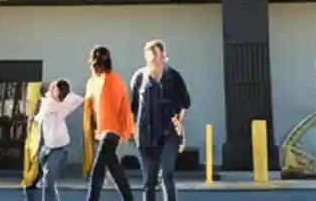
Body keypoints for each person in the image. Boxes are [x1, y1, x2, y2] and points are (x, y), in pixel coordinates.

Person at [130, 40, 191, 201]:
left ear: (163, 57)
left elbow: (185, 103)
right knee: (149, 182)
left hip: (169, 134)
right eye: (149, 60)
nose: (152, 64)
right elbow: (133, 107)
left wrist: (179, 121)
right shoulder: (139, 78)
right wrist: (133, 130)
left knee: (166, 175)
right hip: (146, 135)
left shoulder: (174, 77)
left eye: (155, 59)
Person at [84, 45, 136, 201]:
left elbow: (123, 107)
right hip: (104, 132)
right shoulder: (94, 81)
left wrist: (126, 130)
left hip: (112, 132)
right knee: (115, 170)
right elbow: (91, 108)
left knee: (97, 171)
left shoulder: (113, 81)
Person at [25, 78, 83, 201]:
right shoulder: (48, 103)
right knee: (33, 180)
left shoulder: (64, 103)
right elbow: (38, 118)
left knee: (48, 181)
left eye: (63, 95)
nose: (61, 97)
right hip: (45, 148)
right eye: (58, 94)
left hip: (59, 150)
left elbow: (80, 100)